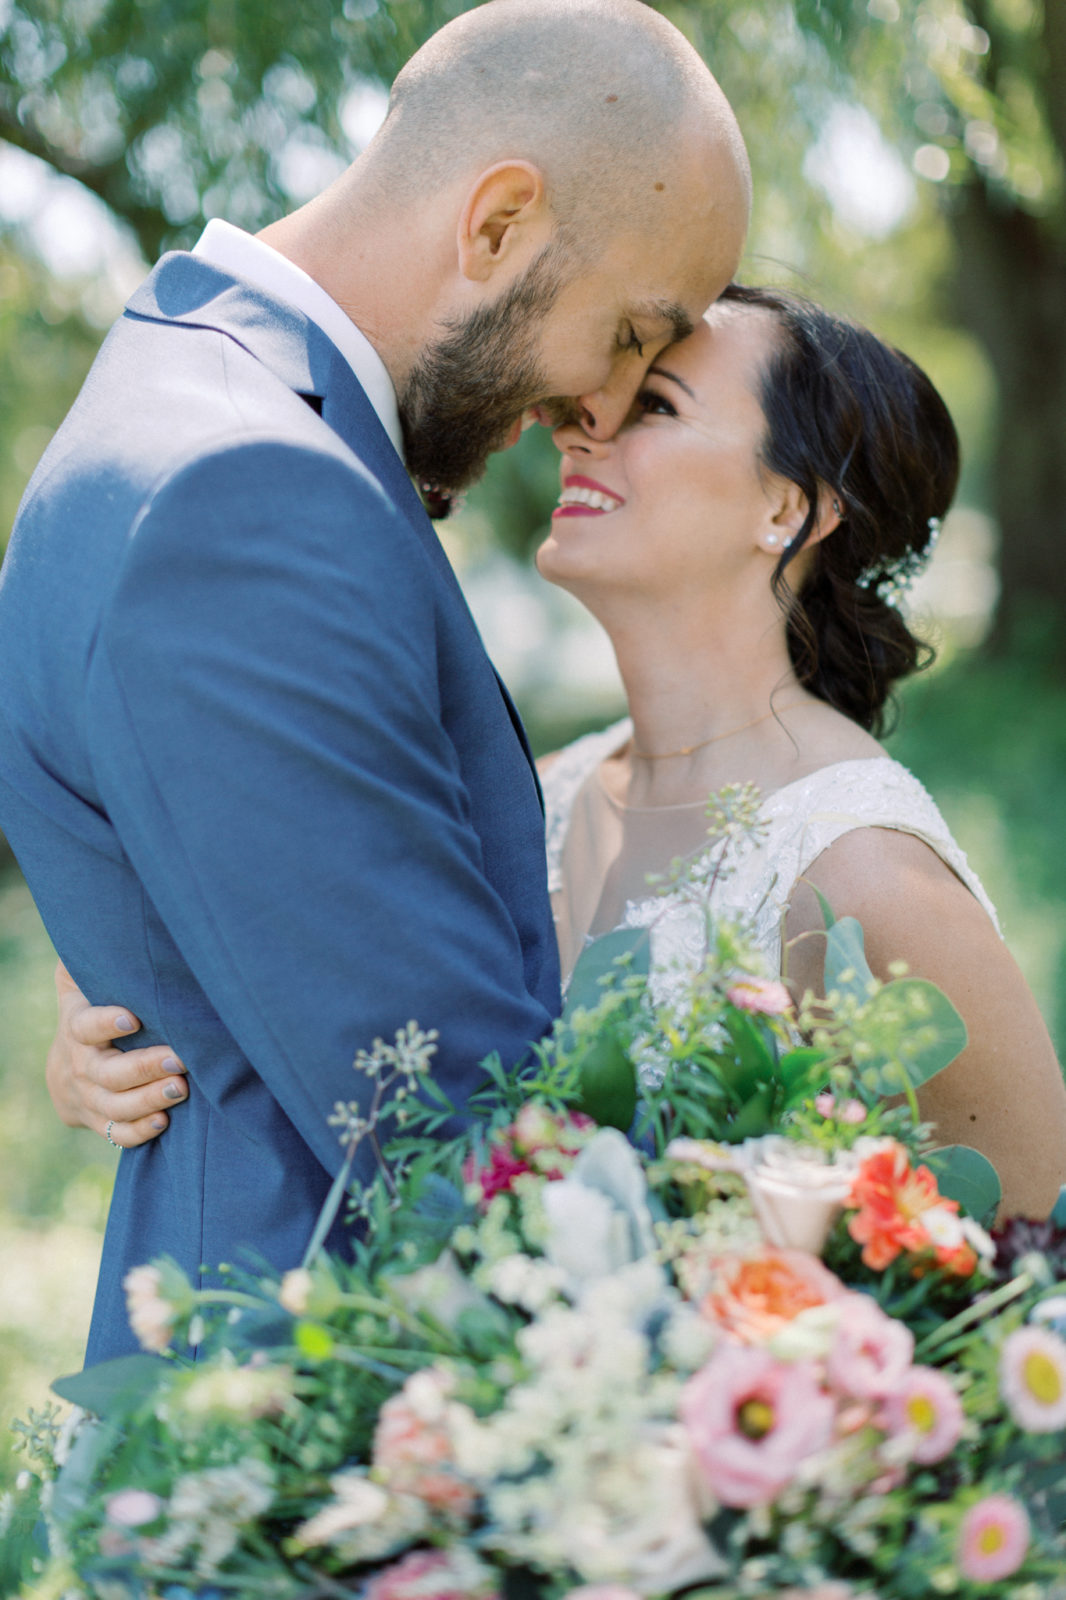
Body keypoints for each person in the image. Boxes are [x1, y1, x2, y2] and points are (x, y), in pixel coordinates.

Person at [0, 0, 751, 1364]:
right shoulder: (244, 493)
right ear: (498, 223)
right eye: (634, 333)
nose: (605, 405)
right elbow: (444, 1119)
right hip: (329, 1441)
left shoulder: (190, 405)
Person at [51, 287, 1066, 1220]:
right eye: (600, 391)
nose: (582, 419)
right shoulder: (538, 795)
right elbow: (276, 924)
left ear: (787, 509)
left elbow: (1035, 1281)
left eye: (655, 404)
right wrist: (100, 1014)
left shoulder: (868, 880)